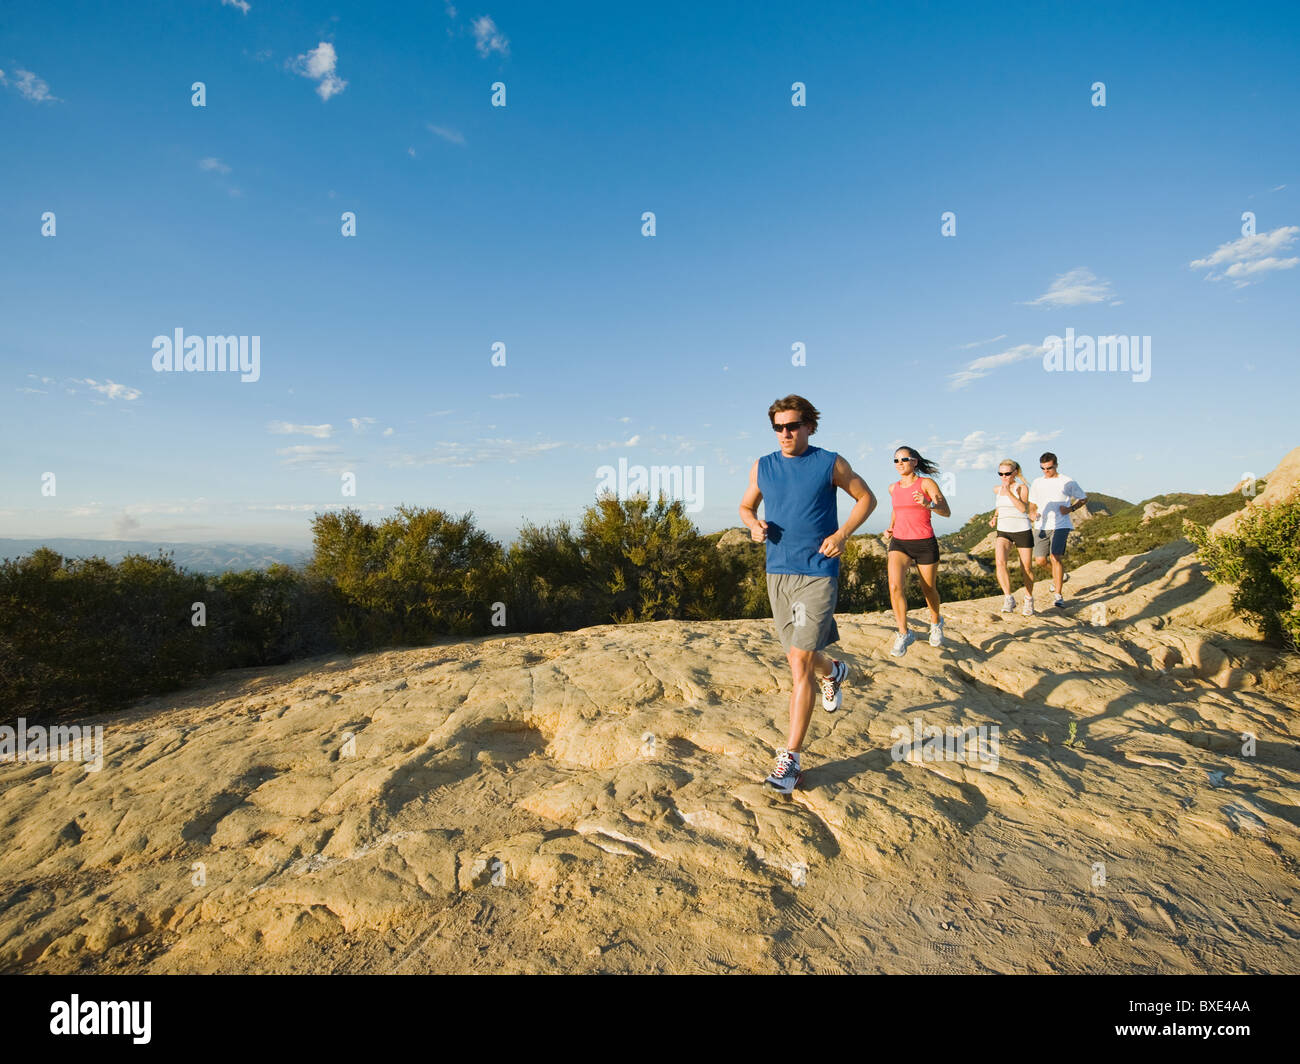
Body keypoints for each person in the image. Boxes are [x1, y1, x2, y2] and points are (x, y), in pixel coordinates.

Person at [738, 395, 877, 795]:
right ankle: (833, 670)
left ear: (809, 426)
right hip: (778, 571)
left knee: (798, 660)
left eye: (793, 425)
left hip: (817, 570)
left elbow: (866, 497)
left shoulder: (829, 462)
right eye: (779, 427)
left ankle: (791, 760)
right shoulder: (762, 465)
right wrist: (752, 524)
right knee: (798, 654)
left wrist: (841, 534)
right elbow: (746, 506)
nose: (785, 433)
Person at [885, 446, 950, 656]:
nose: (899, 463)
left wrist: (928, 503)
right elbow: (897, 509)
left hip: (924, 543)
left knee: (928, 588)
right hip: (900, 543)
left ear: (914, 462)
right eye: (896, 460)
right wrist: (891, 526)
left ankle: (935, 622)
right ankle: (904, 633)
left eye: (904, 459)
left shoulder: (926, 483)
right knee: (895, 586)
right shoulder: (893, 488)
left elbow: (946, 512)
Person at [1028, 452, 1086, 608]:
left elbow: (1083, 498)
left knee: (1055, 557)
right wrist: (1032, 512)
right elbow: (1032, 503)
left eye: (1049, 468)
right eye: (1043, 468)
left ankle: (1058, 595)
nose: (1046, 471)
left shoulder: (1067, 481)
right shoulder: (1037, 482)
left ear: (1056, 465)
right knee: (1040, 561)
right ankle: (1060, 576)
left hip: (1061, 525)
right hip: (1041, 525)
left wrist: (1071, 509)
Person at [989, 459, 1035, 615]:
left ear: (1015, 473)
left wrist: (1008, 491)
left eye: (1007, 473)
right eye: (1000, 474)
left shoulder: (1022, 488)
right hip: (1003, 530)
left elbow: (1023, 508)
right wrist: (995, 516)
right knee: (1000, 562)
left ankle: (1029, 599)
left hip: (1022, 529)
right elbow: (999, 505)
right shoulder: (997, 489)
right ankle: (1009, 597)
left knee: (1026, 568)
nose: (1004, 477)